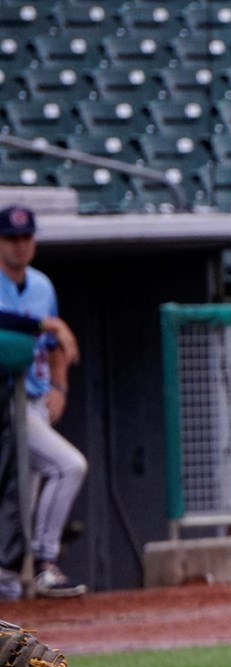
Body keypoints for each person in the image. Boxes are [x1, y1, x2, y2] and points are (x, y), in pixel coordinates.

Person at [0, 205, 87, 598]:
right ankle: (43, 562)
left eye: (26, 237)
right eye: (11, 238)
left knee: (27, 494)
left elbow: (55, 347)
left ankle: (15, 584)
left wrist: (60, 387)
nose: (20, 245)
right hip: (6, 402)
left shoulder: (42, 285)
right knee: (69, 466)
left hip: (34, 399)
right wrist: (45, 324)